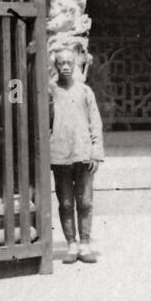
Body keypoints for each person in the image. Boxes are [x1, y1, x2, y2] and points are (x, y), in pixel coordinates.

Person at [49, 48, 104, 264]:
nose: (65, 66)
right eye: (61, 63)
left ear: (75, 65)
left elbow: (95, 122)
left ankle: (85, 244)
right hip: (60, 154)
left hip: (83, 154)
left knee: (86, 202)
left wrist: (96, 152)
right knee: (64, 203)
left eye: (69, 63)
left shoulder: (84, 91)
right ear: (55, 66)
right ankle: (71, 243)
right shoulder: (51, 90)